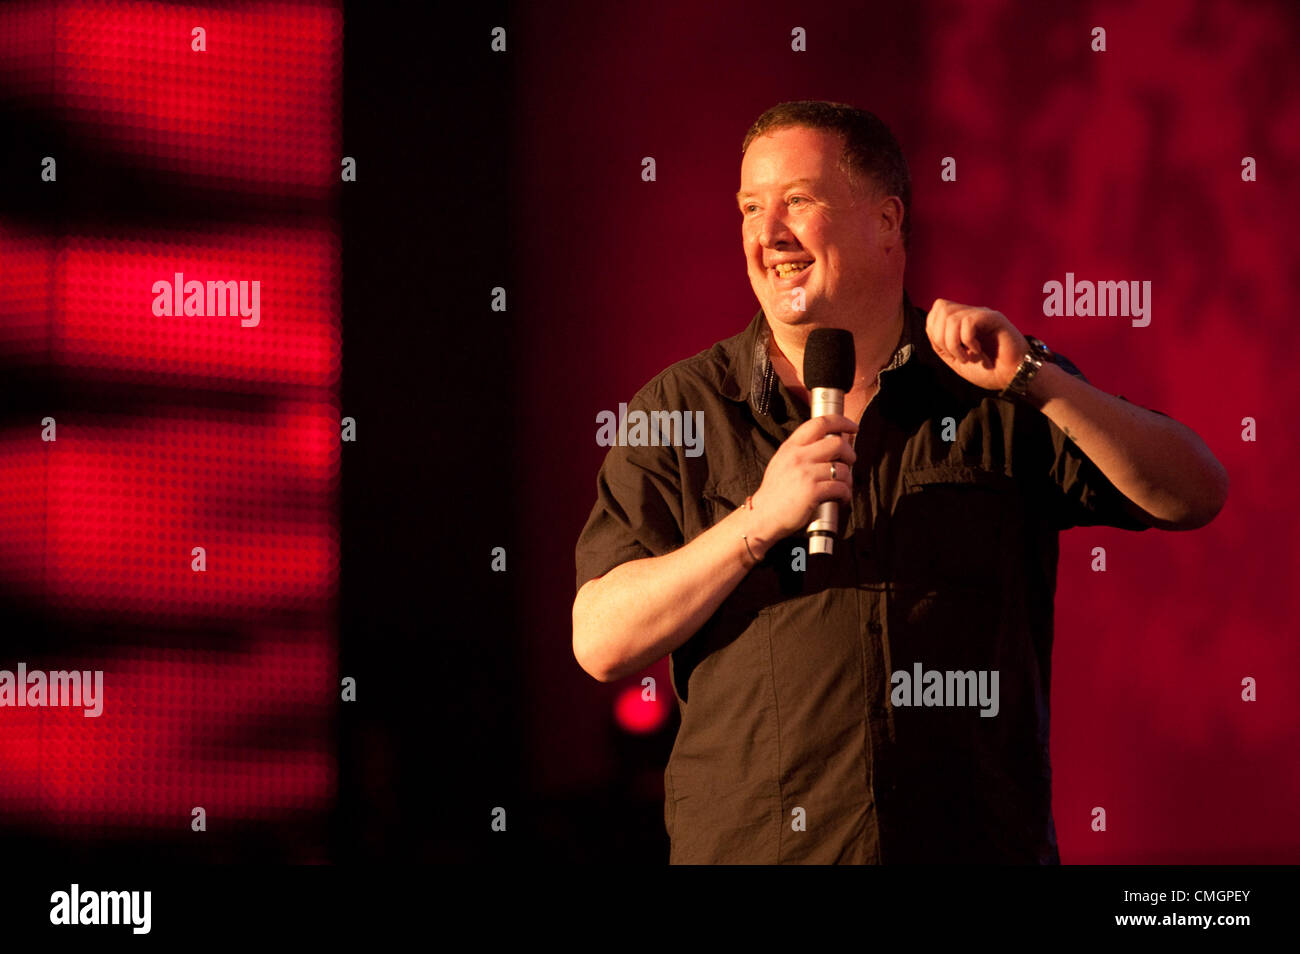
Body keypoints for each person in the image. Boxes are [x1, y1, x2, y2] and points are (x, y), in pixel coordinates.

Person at [571, 101, 1228, 864]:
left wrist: (1038, 381)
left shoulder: (989, 379)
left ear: (887, 222)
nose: (767, 233)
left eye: (798, 201)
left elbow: (1196, 492)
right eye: (751, 207)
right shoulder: (683, 407)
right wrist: (755, 521)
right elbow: (601, 639)